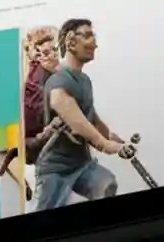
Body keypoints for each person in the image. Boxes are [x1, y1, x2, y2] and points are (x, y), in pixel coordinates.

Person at [32, 18, 130, 211]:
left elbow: (91, 117)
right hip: (55, 169)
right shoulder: (59, 80)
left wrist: (113, 138)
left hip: (81, 164)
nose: (94, 43)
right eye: (88, 35)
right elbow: (69, 112)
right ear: (71, 41)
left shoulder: (84, 81)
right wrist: (104, 144)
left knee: (106, 184)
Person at [0, 25, 60, 187]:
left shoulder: (50, 75)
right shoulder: (33, 75)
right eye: (45, 51)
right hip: (29, 136)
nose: (53, 55)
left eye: (54, 50)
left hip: (36, 138)